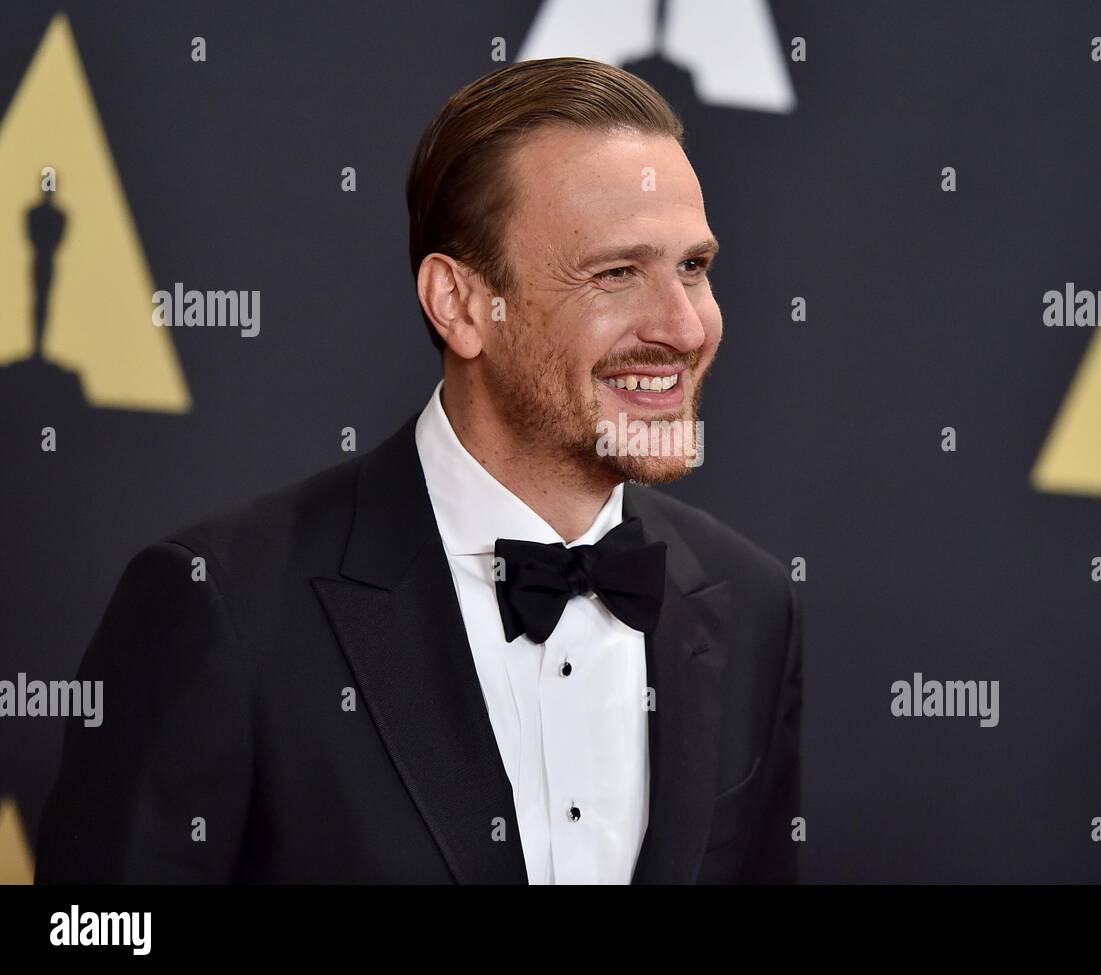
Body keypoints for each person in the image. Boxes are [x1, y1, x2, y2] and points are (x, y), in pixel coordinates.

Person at [36, 57, 802, 884]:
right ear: (461, 304)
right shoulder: (221, 604)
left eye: (694, 267)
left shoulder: (750, 604)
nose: (684, 326)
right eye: (617, 273)